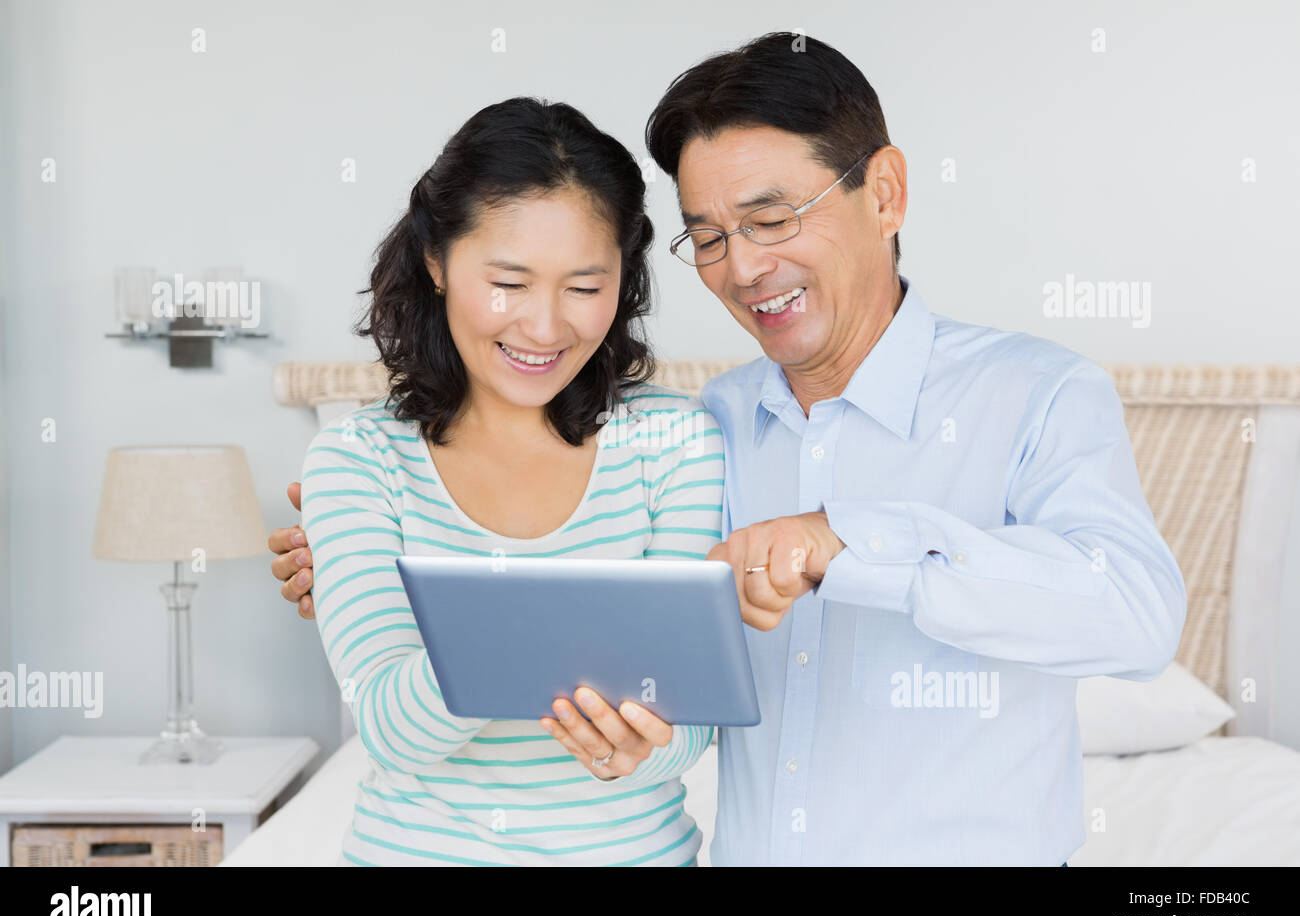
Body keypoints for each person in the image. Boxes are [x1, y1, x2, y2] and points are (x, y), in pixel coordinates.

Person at [272, 33, 1187, 865]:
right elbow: (664, 670)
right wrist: (376, 566)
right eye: (708, 237)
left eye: (773, 219)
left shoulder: (1035, 394)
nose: (743, 268)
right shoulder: (710, 425)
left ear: (887, 193)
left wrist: (852, 539)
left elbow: (1138, 618)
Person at [291, 95, 724, 865]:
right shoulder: (358, 461)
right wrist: (571, 628)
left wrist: (635, 744)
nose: (546, 326)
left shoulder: (675, 440)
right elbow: (392, 730)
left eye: (585, 288)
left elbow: (686, 724)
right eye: (509, 282)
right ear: (436, 262)